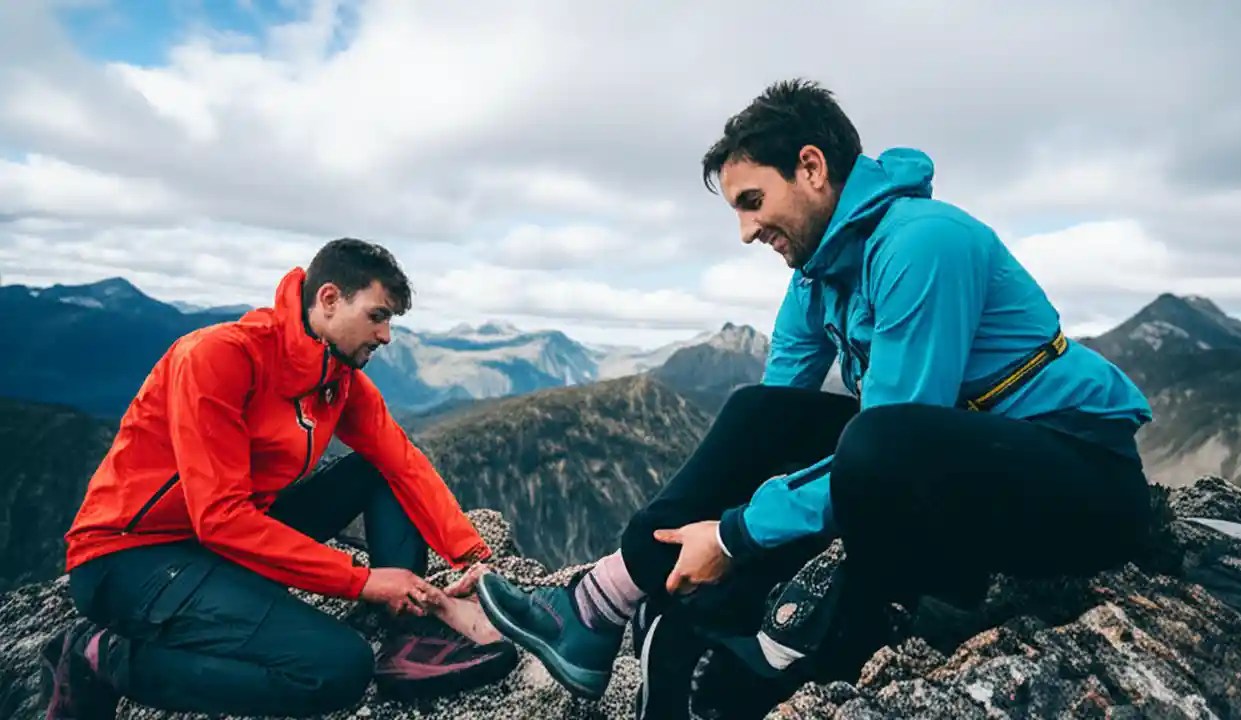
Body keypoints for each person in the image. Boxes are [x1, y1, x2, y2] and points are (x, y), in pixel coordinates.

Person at [475, 79, 1154, 718]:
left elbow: (893, 445)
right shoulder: (816, 272)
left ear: (810, 168)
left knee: (874, 440)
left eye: (752, 202)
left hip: (1080, 479)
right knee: (755, 411)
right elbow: (770, 422)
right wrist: (712, 534)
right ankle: (604, 601)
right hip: (959, 484)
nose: (746, 232)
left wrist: (736, 536)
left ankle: (616, 608)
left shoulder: (923, 243)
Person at [43, 238, 519, 720]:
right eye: (377, 316)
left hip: (225, 540)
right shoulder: (218, 357)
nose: (386, 336)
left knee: (377, 469)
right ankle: (100, 657)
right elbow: (221, 518)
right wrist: (362, 581)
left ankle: (406, 634)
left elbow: (403, 462)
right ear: (329, 299)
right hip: (131, 557)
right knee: (337, 669)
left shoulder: (338, 379)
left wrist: (474, 558)